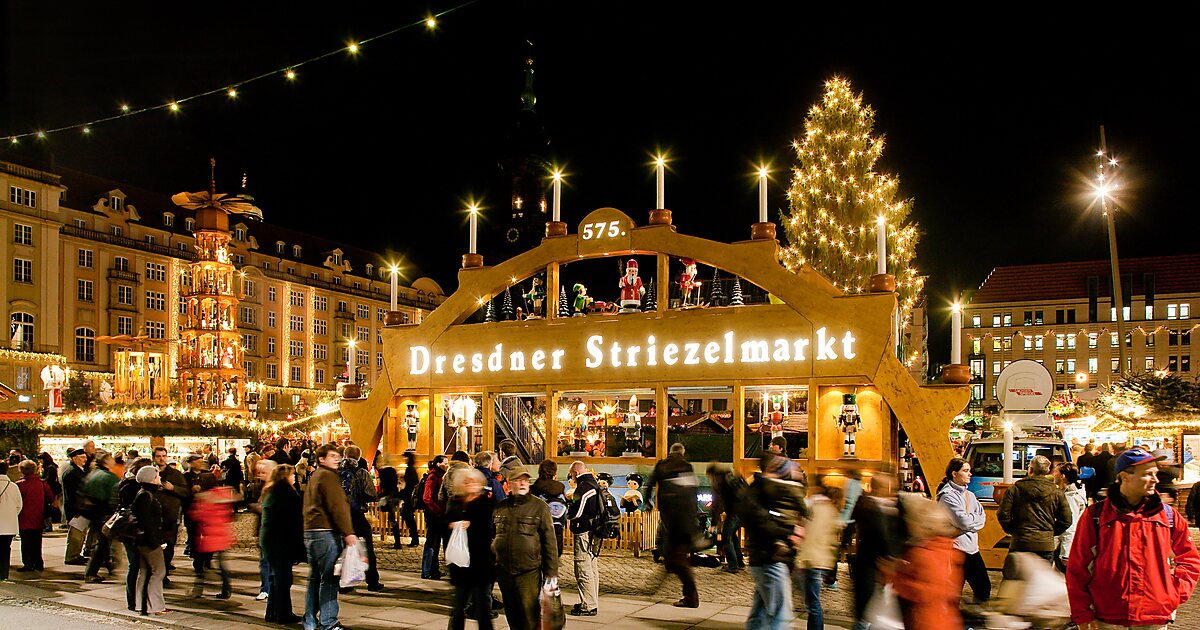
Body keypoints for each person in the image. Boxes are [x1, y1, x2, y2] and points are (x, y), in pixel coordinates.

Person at [1067, 447, 1200, 629]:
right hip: (1108, 616)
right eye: (1147, 474)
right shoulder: (1096, 516)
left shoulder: (1168, 517)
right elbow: (1078, 567)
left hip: (1154, 615)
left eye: (1155, 473)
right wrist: (1082, 613)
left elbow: (1189, 559)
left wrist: (1174, 592)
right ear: (1124, 476)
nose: (1156, 480)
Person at [738, 452, 803, 630]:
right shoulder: (760, 491)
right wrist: (789, 533)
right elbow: (763, 523)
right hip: (769, 558)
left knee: (760, 613)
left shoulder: (764, 490)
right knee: (780, 615)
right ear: (772, 467)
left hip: (766, 558)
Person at [494, 463, 558, 630]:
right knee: (512, 614)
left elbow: (550, 542)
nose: (522, 483)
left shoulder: (539, 507)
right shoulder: (500, 508)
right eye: (518, 480)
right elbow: (492, 537)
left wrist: (551, 574)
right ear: (508, 484)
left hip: (528, 572)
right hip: (504, 571)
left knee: (529, 616)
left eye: (525, 480)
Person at [303, 443, 359, 630]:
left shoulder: (315, 476)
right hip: (325, 532)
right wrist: (348, 532)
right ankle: (328, 621)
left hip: (312, 531)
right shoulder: (327, 476)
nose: (337, 459)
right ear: (321, 459)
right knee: (329, 578)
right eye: (332, 456)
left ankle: (309, 620)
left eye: (338, 456)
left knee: (314, 579)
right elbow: (337, 507)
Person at [892, 494, 963, 630]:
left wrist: (896, 578)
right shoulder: (947, 549)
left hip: (927, 621)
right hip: (946, 618)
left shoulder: (924, 553)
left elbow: (928, 591)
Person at [997, 454, 1072, 576]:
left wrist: (1013, 530)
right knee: (1041, 582)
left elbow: (1003, 514)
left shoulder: (1016, 488)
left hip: (1020, 541)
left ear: (1030, 470)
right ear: (1048, 471)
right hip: (1045, 544)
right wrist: (1050, 531)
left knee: (1015, 580)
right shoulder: (1056, 492)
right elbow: (1067, 519)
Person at [850, 471, 905, 630]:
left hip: (886, 568)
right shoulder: (868, 506)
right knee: (866, 614)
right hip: (872, 567)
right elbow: (878, 536)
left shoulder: (895, 506)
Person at [649, 443, 701, 607]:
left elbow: (650, 484)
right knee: (674, 554)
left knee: (677, 558)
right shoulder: (687, 467)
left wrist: (649, 502)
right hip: (686, 519)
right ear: (683, 453)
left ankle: (691, 597)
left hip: (672, 518)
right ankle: (668, 573)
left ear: (670, 452)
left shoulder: (662, 465)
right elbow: (693, 493)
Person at [446, 467, 495, 630]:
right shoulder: (456, 503)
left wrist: (470, 526)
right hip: (460, 565)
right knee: (458, 607)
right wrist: (453, 525)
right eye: (466, 482)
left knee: (482, 609)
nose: (470, 484)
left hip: (480, 563)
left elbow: (487, 530)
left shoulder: (486, 503)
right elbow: (443, 524)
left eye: (473, 481)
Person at [935, 457, 989, 603]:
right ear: (954, 474)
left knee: (984, 588)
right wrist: (972, 521)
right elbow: (963, 521)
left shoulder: (969, 495)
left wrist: (970, 522)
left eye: (969, 471)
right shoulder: (947, 496)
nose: (970, 474)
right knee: (953, 594)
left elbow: (982, 518)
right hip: (956, 549)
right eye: (965, 471)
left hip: (972, 549)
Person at [261, 464, 304, 624]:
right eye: (292, 475)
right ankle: (283, 613)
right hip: (281, 541)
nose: (294, 477)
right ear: (284, 477)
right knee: (283, 579)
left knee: (276, 578)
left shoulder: (272, 491)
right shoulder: (286, 494)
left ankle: (272, 611)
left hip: (271, 540)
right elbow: (293, 522)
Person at [338, 444, 382, 591]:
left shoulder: (336, 471)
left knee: (343, 548)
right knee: (367, 547)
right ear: (358, 457)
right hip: (357, 515)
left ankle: (344, 581)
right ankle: (372, 581)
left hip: (340, 515)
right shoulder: (361, 472)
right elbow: (371, 494)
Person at [798, 482, 841, 630]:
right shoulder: (832, 511)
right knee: (813, 603)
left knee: (813, 604)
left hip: (810, 560)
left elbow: (809, 535)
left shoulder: (813, 508)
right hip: (821, 560)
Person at [131, 465, 170, 615]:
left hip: (143, 540)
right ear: (151, 479)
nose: (159, 478)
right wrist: (157, 542)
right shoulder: (146, 496)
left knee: (145, 571)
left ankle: (141, 605)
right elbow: (147, 522)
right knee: (159, 572)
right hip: (149, 541)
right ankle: (157, 606)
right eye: (157, 476)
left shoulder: (144, 494)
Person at [567, 460, 602, 616]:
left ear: (576, 473)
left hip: (584, 531)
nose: (572, 478)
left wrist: (568, 509)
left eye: (571, 475)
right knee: (592, 566)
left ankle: (588, 605)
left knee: (583, 567)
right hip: (595, 532)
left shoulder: (583, 487)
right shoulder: (595, 484)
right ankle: (591, 600)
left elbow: (576, 513)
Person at [118, 457, 153, 609]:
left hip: (130, 531)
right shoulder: (135, 488)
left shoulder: (127, 483)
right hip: (135, 532)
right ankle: (135, 600)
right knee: (137, 566)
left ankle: (134, 600)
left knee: (137, 566)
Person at [190, 483, 235, 599]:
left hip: (209, 537)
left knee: (201, 565)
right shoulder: (223, 496)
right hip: (222, 536)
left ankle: (198, 590)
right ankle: (226, 589)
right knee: (222, 565)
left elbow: (197, 516)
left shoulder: (205, 498)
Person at [152, 446, 189, 585]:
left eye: (163, 456)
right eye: (158, 456)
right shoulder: (150, 473)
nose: (161, 458)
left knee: (168, 546)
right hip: (154, 516)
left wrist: (172, 488)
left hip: (170, 515)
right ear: (154, 457)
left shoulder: (175, 474)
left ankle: (164, 573)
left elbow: (185, 492)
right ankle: (156, 573)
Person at [81, 450, 120, 582]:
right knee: (102, 544)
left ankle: (108, 566)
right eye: (111, 458)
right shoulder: (109, 477)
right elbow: (114, 498)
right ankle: (91, 572)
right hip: (105, 513)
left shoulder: (93, 474)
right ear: (106, 461)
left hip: (93, 512)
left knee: (103, 542)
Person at [246, 458, 278, 600]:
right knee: (265, 561)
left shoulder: (277, 487)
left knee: (274, 562)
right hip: (264, 529)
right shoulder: (257, 487)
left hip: (275, 529)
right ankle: (266, 588)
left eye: (263, 472)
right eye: (258, 472)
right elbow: (249, 502)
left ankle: (273, 588)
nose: (259, 475)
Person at [15, 459, 51, 572]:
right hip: (38, 517)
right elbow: (51, 497)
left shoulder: (20, 485)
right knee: (37, 541)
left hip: (24, 517)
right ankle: (38, 562)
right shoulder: (42, 483)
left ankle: (28, 563)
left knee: (26, 542)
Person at [707, 464, 744, 573]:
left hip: (734, 512)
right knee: (732, 535)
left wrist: (713, 523)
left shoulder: (720, 483)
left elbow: (717, 505)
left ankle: (733, 565)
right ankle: (739, 562)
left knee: (726, 536)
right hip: (744, 511)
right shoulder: (734, 477)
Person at [1052, 461, 1087, 572]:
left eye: (1056, 472)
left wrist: (1065, 553)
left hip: (1065, 546)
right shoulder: (1066, 493)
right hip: (1061, 543)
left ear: (1063, 476)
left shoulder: (1071, 497)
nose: (1053, 474)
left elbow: (1071, 526)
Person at [421, 454, 450, 579]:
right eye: (445, 462)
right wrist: (438, 510)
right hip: (434, 516)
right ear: (438, 464)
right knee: (432, 544)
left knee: (435, 544)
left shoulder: (440, 476)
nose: (447, 465)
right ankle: (426, 571)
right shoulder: (433, 477)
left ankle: (434, 570)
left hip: (438, 515)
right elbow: (427, 497)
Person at [530, 459, 567, 556]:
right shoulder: (561, 488)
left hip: (538, 532)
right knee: (553, 561)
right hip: (557, 529)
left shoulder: (534, 489)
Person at [61, 447, 89, 565]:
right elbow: (73, 494)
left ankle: (76, 554)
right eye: (82, 457)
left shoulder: (78, 470)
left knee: (80, 533)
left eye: (85, 457)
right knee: (75, 534)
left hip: (79, 508)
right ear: (74, 458)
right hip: (75, 509)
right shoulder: (72, 473)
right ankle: (72, 556)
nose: (85, 459)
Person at [0, 462, 22, 581]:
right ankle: (3, 574)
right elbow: (19, 506)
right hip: (9, 526)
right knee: (5, 549)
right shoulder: (13, 486)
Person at [377, 465, 403, 548]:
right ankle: (397, 542)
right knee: (393, 520)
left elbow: (384, 488)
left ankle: (397, 543)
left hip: (389, 498)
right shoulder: (393, 474)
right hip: (394, 497)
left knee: (392, 520)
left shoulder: (385, 475)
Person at [399, 451, 421, 547]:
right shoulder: (412, 469)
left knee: (408, 517)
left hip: (409, 498)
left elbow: (410, 485)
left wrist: (401, 494)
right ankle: (414, 538)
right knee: (409, 517)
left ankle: (414, 538)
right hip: (409, 497)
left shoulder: (410, 470)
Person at [38, 452, 61, 531]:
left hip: (50, 489)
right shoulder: (50, 467)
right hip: (50, 488)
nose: (40, 462)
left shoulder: (50, 468)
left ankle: (48, 525)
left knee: (47, 508)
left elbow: (49, 479)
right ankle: (47, 525)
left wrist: (41, 480)